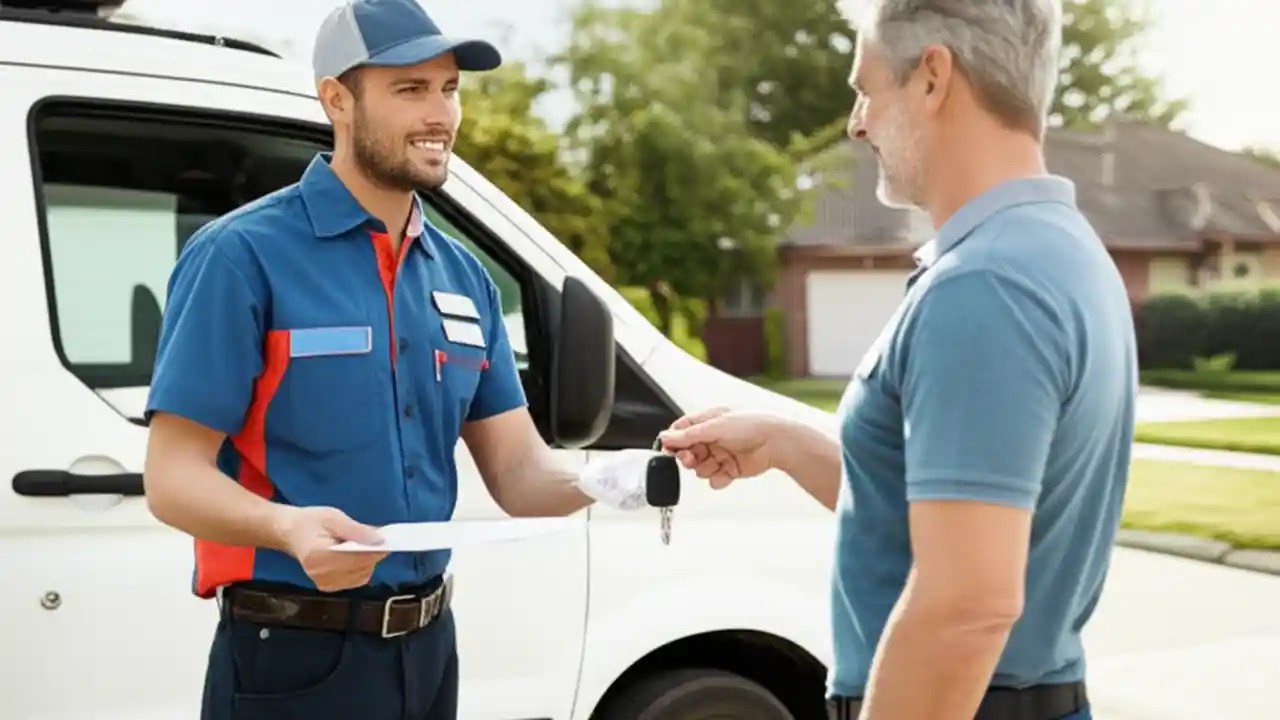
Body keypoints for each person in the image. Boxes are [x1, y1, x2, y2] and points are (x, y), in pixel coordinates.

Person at [141, 1, 654, 718]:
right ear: (337, 100)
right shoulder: (241, 257)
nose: (439, 114)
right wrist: (287, 527)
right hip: (291, 658)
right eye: (409, 90)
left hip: (428, 652)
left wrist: (622, 474)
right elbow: (171, 479)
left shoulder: (465, 277)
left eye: (449, 89)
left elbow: (519, 472)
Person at [659, 2, 1135, 719]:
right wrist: (787, 444)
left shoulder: (986, 285)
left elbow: (968, 604)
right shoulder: (1057, 250)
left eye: (865, 89)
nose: (856, 123)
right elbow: (948, 513)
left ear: (933, 78)